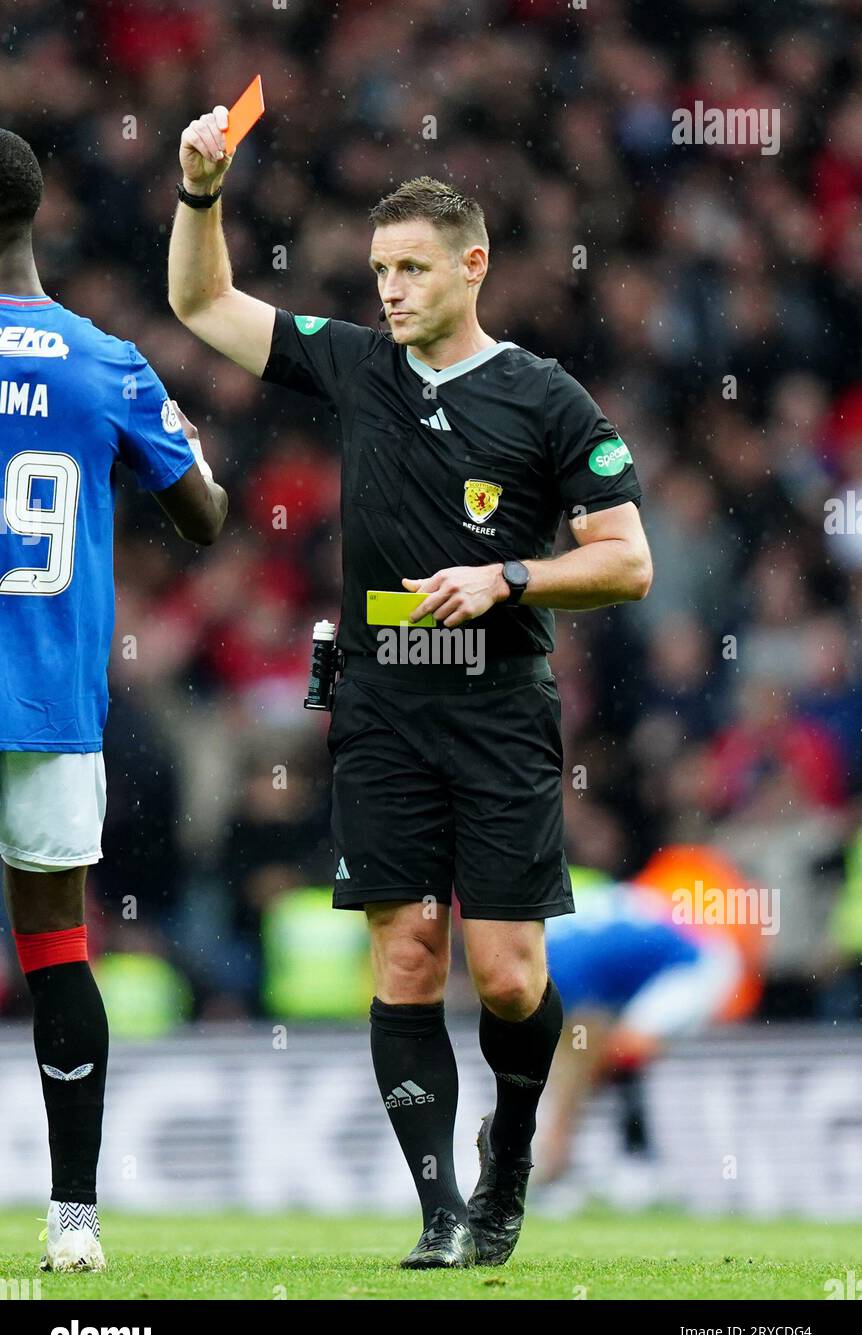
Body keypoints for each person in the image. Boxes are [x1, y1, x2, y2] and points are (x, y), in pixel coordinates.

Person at [168, 106, 652, 1268]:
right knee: (405, 954)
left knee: (508, 969)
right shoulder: (356, 364)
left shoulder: (545, 398)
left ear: (472, 265)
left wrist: (511, 577)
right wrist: (200, 195)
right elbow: (202, 305)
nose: (387, 290)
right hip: (382, 700)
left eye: (412, 269)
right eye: (379, 269)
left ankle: (514, 1152)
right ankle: (441, 1211)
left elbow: (627, 562)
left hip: (497, 708)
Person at [0, 129, 228, 1272]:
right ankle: (74, 1225)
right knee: (54, 951)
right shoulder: (106, 362)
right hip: (47, 704)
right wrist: (175, 445)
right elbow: (206, 518)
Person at [538, 879, 746, 1191]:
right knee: (607, 1056)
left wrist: (559, 1126)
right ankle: (626, 1160)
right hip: (674, 955)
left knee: (623, 1051)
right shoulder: (554, 934)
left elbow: (583, 1044)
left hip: (697, 964)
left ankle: (637, 1165)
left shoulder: (557, 962)